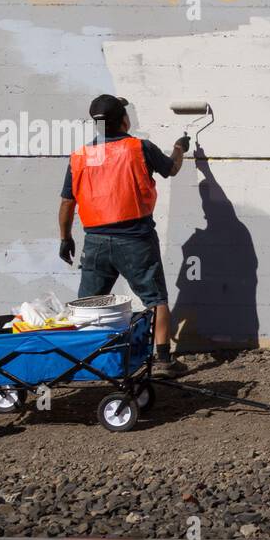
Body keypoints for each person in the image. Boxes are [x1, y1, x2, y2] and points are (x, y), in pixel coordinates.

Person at [58, 94, 191, 377]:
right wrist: (180, 148)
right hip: (135, 239)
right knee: (155, 299)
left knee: (87, 305)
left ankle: (85, 361)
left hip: (94, 243)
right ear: (124, 120)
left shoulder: (80, 156)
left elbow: (67, 202)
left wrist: (65, 238)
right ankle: (164, 360)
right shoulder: (139, 148)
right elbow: (172, 168)